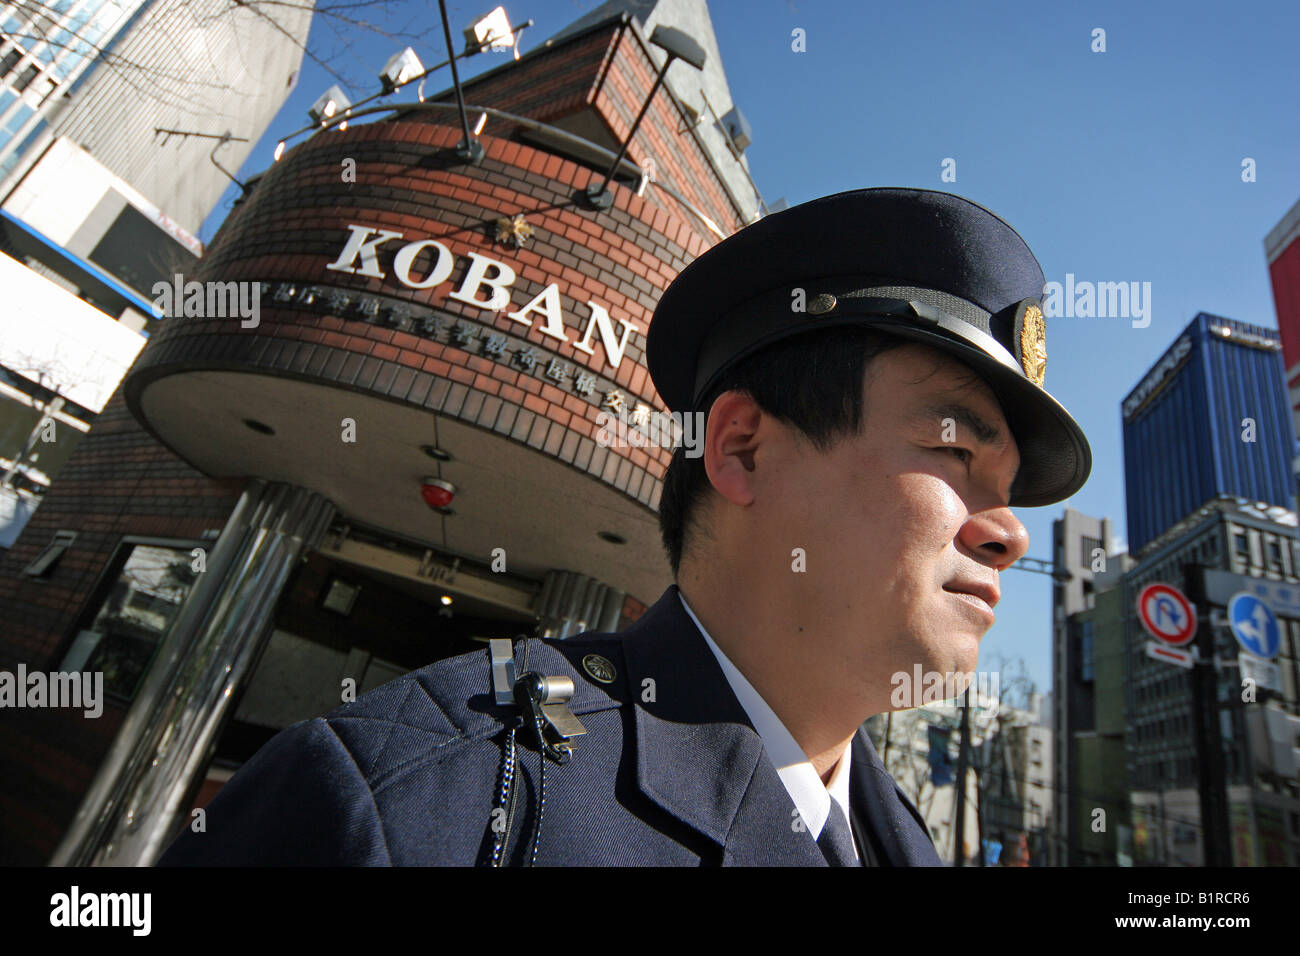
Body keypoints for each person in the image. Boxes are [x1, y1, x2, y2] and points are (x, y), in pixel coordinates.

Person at [157, 187, 1091, 866]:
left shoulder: (900, 844)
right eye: (954, 450)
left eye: (1010, 487)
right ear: (743, 450)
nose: (1007, 532)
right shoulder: (420, 807)